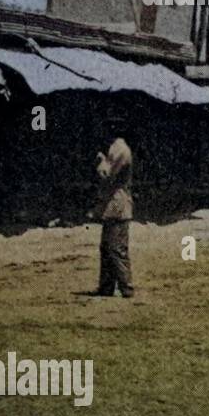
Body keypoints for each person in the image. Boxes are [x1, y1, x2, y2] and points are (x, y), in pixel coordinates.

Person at [95, 119, 135, 298]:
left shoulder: (119, 149)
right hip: (114, 204)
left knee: (116, 248)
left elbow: (106, 175)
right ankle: (107, 287)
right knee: (107, 247)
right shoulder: (117, 147)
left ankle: (126, 287)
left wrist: (101, 160)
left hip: (117, 204)